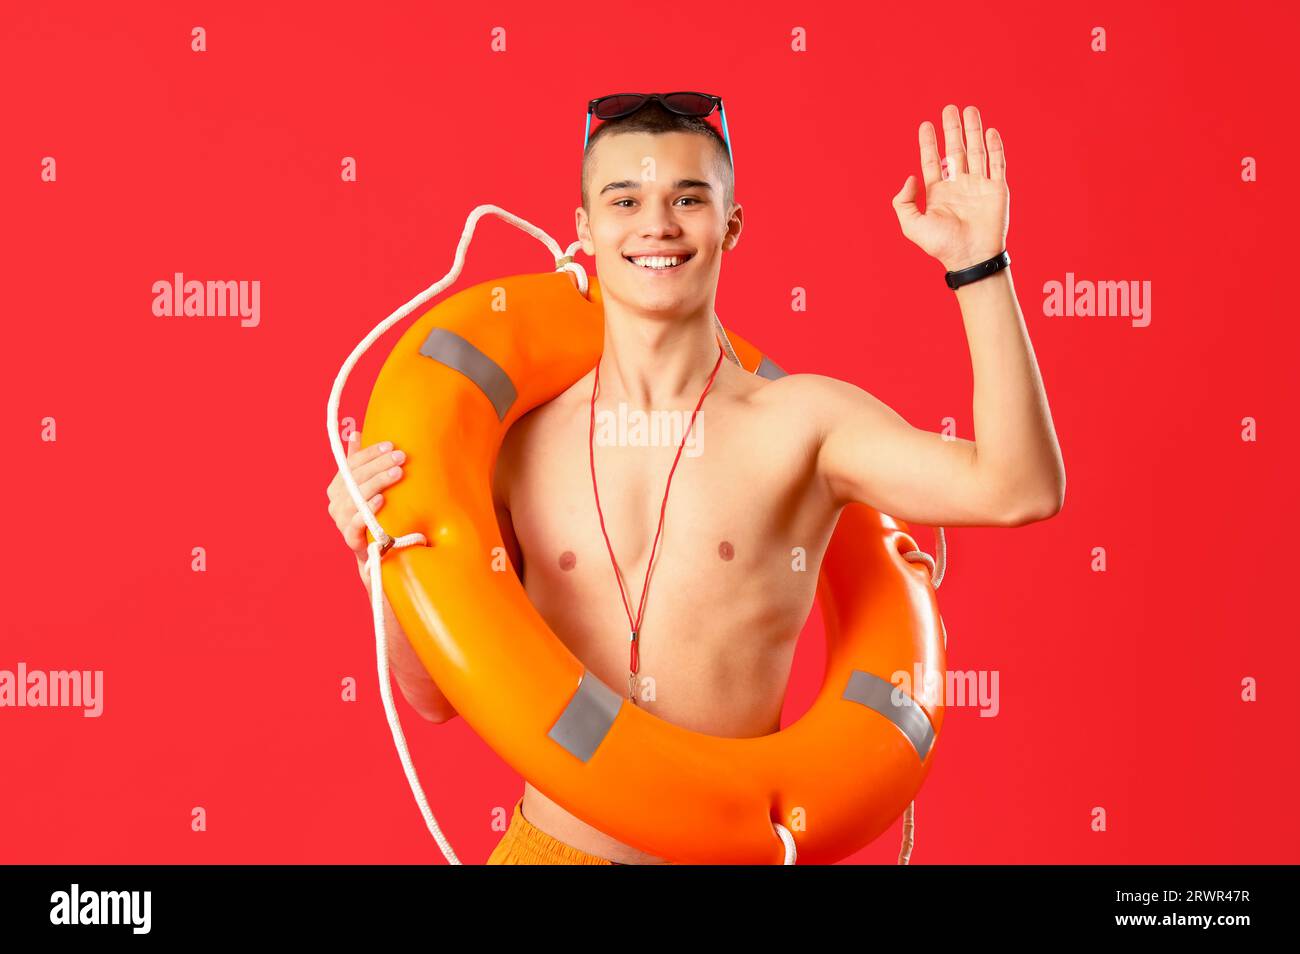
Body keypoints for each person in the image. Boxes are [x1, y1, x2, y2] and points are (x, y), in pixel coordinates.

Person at [326, 94, 1065, 865]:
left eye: (688, 199)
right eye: (624, 201)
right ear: (585, 229)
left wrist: (979, 267)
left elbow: (1019, 488)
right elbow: (434, 698)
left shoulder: (805, 425)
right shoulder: (520, 447)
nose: (657, 225)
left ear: (731, 224)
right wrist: (381, 555)